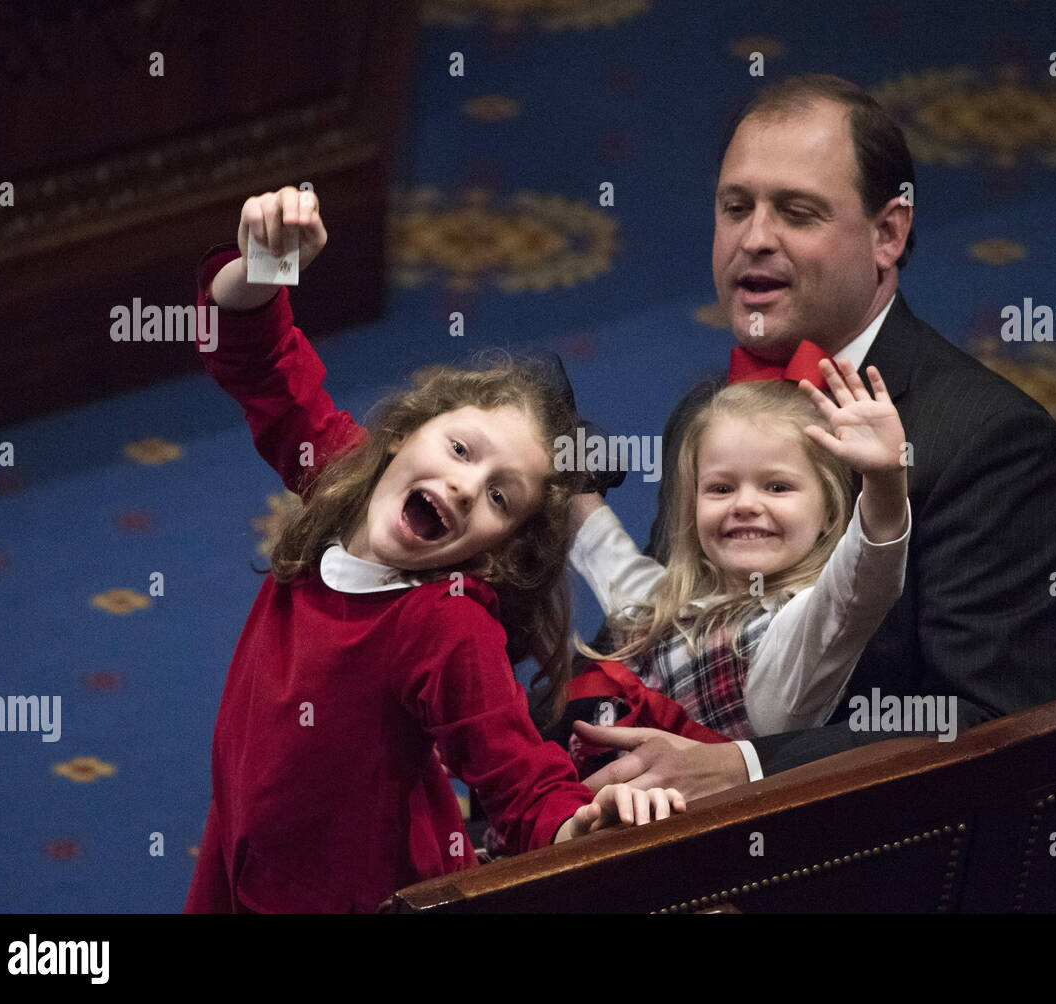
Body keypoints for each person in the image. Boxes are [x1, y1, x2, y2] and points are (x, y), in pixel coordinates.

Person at [572, 73, 1056, 799]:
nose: (754, 240)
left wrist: (746, 770)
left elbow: (988, 722)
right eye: (736, 208)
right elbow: (664, 625)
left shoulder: (993, 444)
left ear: (888, 234)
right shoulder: (711, 410)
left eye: (797, 213)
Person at [185, 187, 684, 913]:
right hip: (243, 840)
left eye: (500, 497)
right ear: (406, 432)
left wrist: (582, 824)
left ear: (499, 551)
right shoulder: (342, 479)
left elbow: (518, 778)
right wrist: (260, 270)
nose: (461, 485)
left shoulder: (446, 623)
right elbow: (260, 363)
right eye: (458, 447)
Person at [568, 363, 909, 746]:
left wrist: (884, 480)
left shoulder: (799, 627)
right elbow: (607, 554)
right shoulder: (665, 608)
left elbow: (865, 579)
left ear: (830, 512)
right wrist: (566, 477)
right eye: (721, 488)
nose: (745, 504)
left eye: (777, 487)